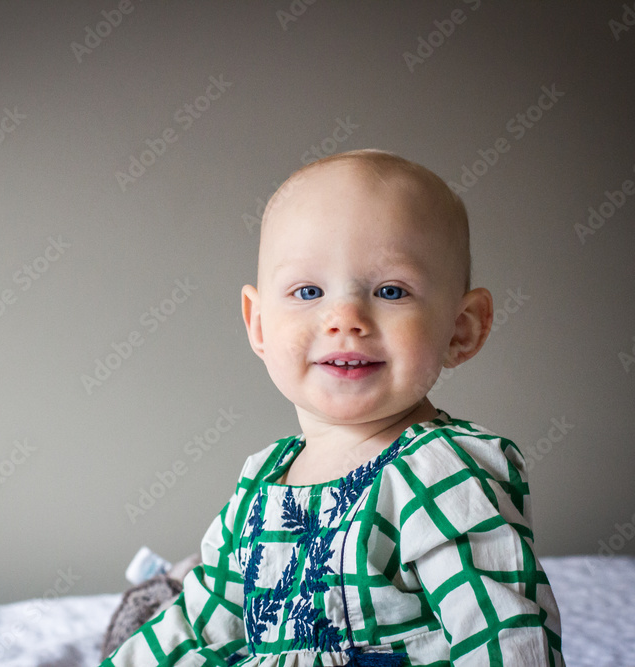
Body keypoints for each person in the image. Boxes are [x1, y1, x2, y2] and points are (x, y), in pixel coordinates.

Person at [100, 149, 564, 666]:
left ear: (462, 327)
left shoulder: (443, 474)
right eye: (308, 290)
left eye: (391, 290)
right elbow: (200, 624)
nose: (345, 317)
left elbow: (505, 638)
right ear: (258, 324)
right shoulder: (261, 481)